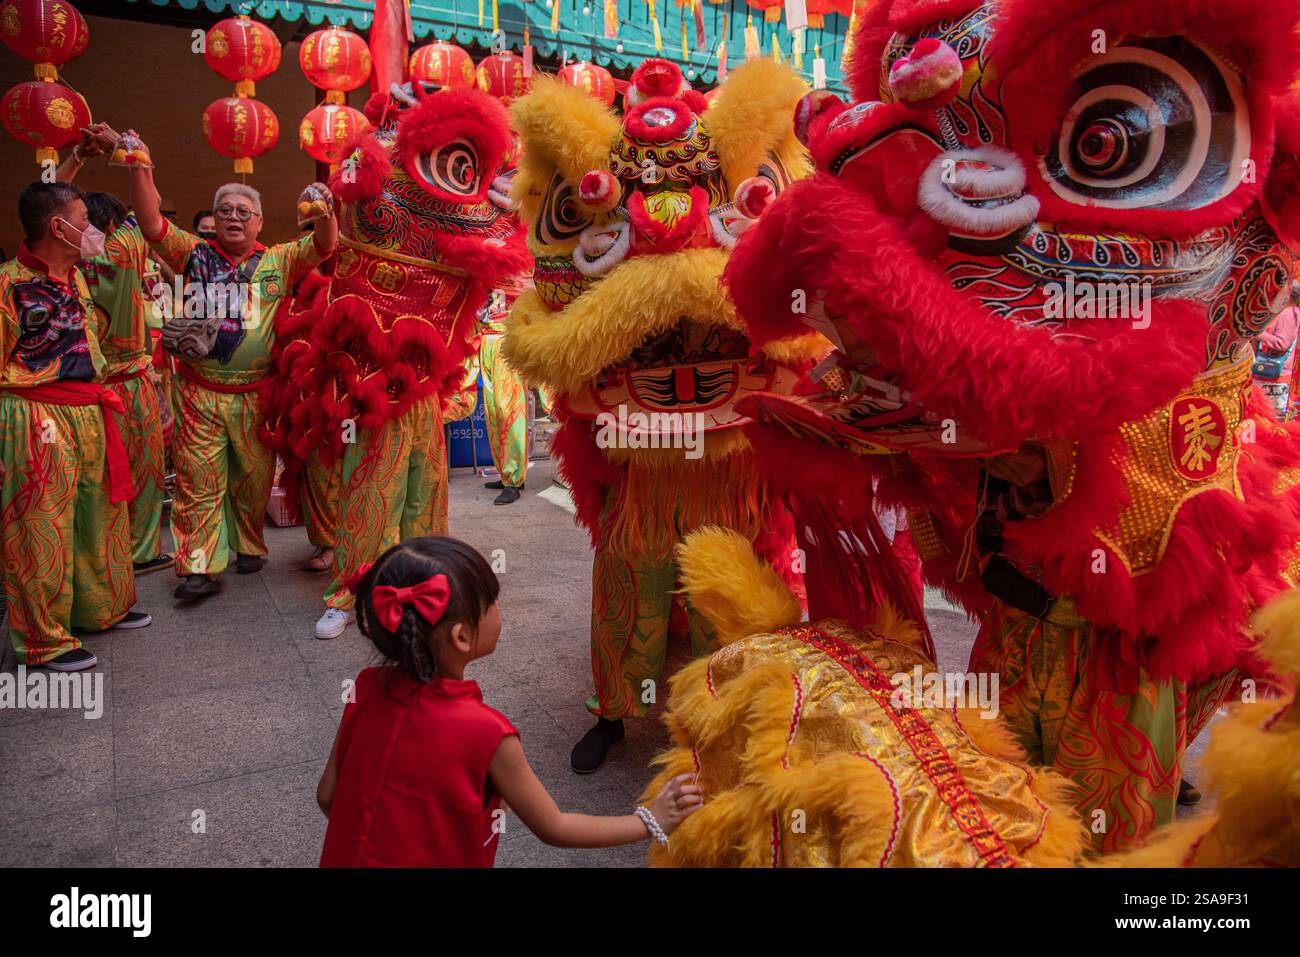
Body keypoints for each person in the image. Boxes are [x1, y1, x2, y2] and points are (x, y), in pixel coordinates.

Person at [316, 536, 702, 866]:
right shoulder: (488, 733)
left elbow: (328, 797)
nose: (500, 611)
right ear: (462, 638)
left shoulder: (365, 687)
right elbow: (555, 826)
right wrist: (650, 819)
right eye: (492, 603)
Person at [125, 130, 338, 601]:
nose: (234, 218)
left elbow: (325, 246)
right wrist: (141, 165)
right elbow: (149, 221)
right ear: (213, 220)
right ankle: (198, 566)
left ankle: (248, 544)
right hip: (200, 390)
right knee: (198, 478)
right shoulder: (193, 254)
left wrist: (324, 209)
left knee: (253, 478)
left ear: (261, 221)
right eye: (225, 211)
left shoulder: (278, 260)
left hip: (257, 393)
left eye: (244, 211)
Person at [0, 181, 153, 672]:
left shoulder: (78, 277)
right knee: (40, 524)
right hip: (36, 412)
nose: (91, 229)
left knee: (99, 515)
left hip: (90, 408)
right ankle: (44, 640)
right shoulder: (9, 284)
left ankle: (99, 609)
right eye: (83, 219)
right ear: (57, 227)